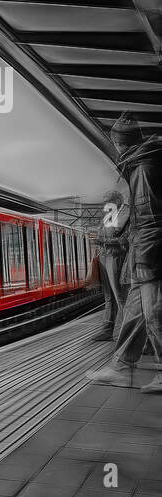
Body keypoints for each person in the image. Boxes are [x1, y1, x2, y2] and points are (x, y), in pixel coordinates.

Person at [87, 116, 162, 392]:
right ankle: (120, 366)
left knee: (154, 313)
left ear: (119, 143)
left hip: (151, 253)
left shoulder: (143, 168)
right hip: (146, 250)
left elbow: (151, 219)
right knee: (135, 310)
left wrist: (143, 256)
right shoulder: (143, 164)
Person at [92, 189, 129, 341]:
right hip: (104, 256)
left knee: (119, 297)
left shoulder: (124, 213)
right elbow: (103, 232)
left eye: (108, 202)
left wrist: (103, 240)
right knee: (108, 296)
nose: (106, 205)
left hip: (115, 256)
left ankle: (124, 331)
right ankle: (107, 329)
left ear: (116, 201)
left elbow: (120, 236)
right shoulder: (111, 214)